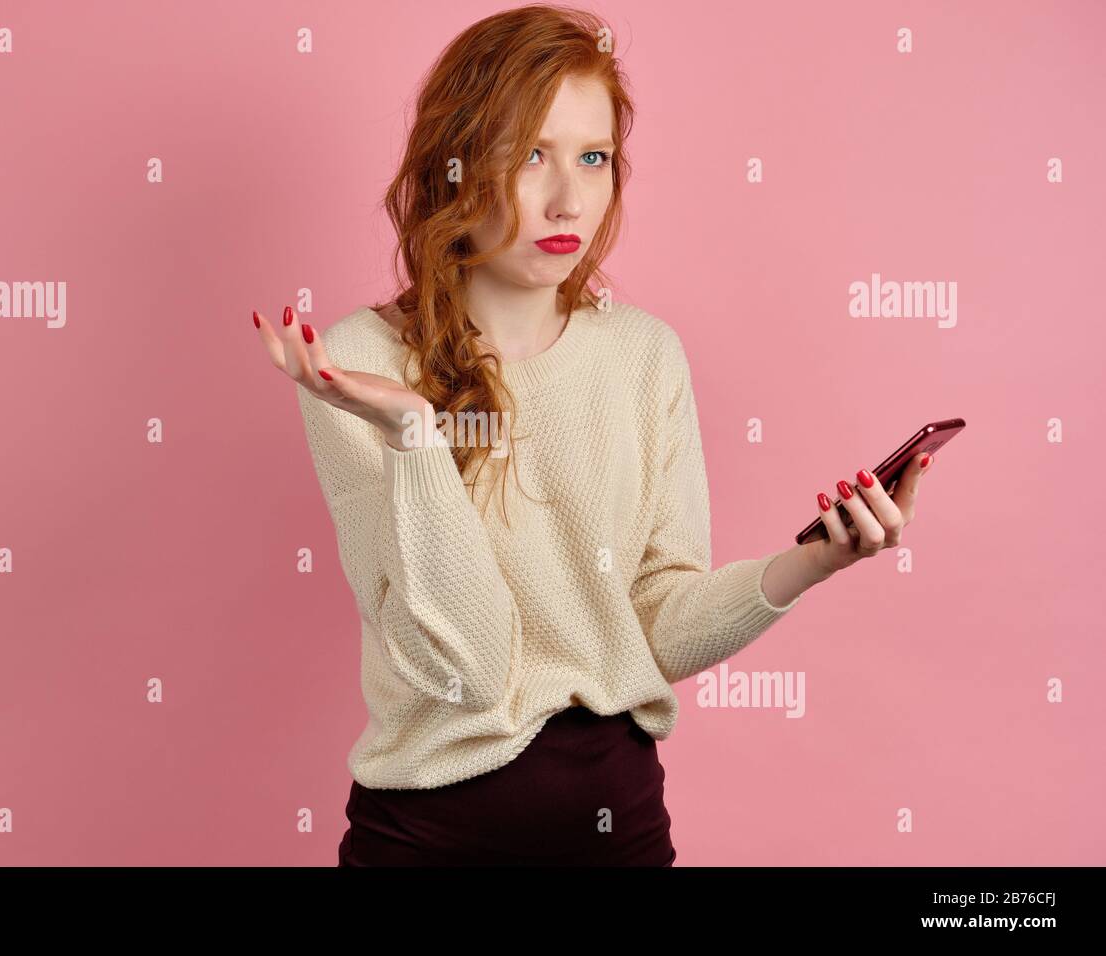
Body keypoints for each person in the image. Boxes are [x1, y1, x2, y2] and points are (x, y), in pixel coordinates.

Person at [252, 3, 933, 866]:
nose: (568, 197)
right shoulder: (357, 365)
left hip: (617, 829)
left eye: (593, 157)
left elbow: (651, 625)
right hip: (424, 837)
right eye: (529, 153)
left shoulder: (644, 355)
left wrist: (813, 561)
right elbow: (471, 664)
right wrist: (416, 438)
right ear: (454, 160)